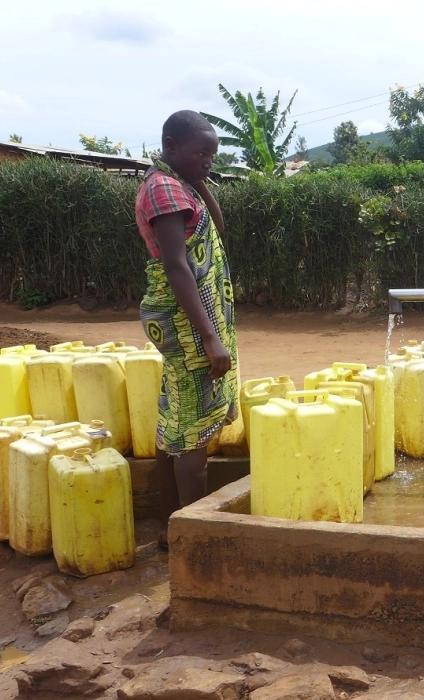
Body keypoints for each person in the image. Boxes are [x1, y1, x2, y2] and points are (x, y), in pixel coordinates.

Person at [134, 110, 238, 545]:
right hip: (186, 321)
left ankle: (168, 526)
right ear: (171, 147)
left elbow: (217, 229)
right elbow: (178, 267)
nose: (209, 160)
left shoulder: (177, 185)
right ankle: (193, 538)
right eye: (202, 153)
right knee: (192, 427)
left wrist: (199, 179)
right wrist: (210, 337)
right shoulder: (162, 189)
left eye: (213, 155)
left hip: (188, 318)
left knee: (175, 419)